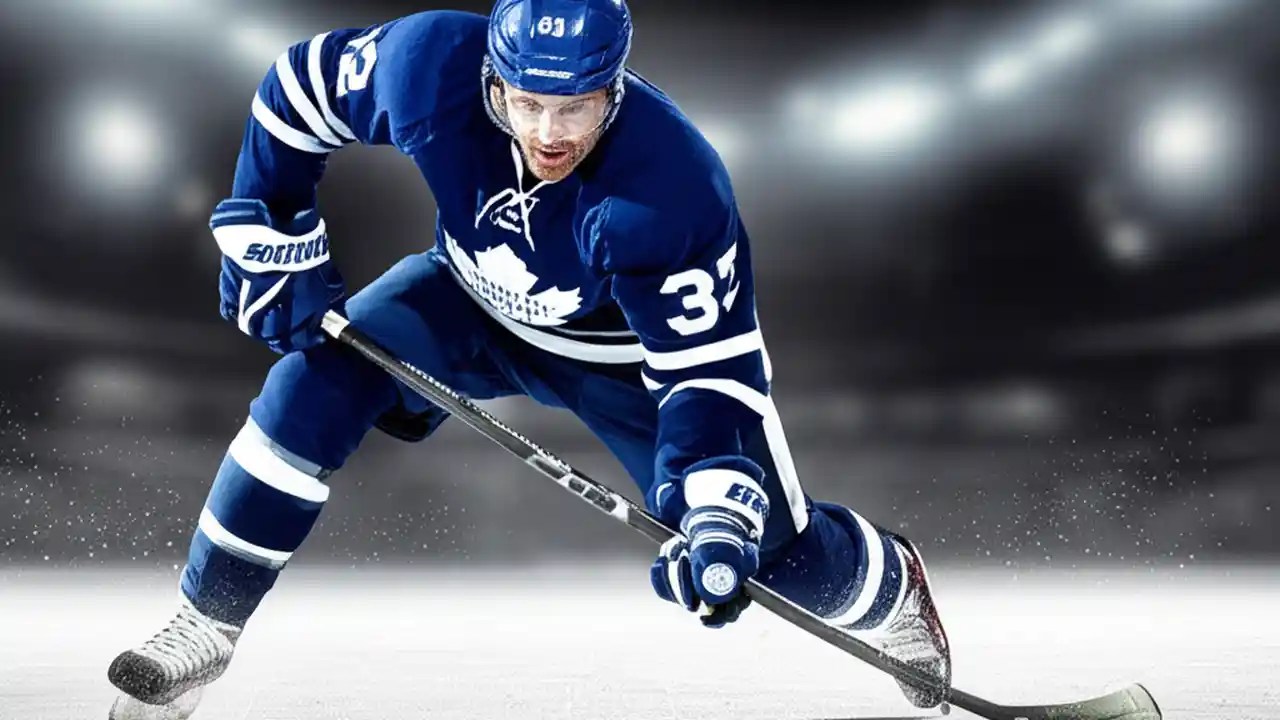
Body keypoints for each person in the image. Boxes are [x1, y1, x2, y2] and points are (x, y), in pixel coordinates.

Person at [107, 1, 950, 716]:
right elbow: (297, 92)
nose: (548, 132)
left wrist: (716, 510)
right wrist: (269, 218)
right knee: (304, 388)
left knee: (769, 554)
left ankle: (888, 588)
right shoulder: (426, 63)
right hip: (463, 300)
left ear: (614, 89)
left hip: (625, 358)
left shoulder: (673, 192)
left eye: (576, 105)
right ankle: (205, 628)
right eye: (526, 100)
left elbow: (709, 380)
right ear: (490, 78)